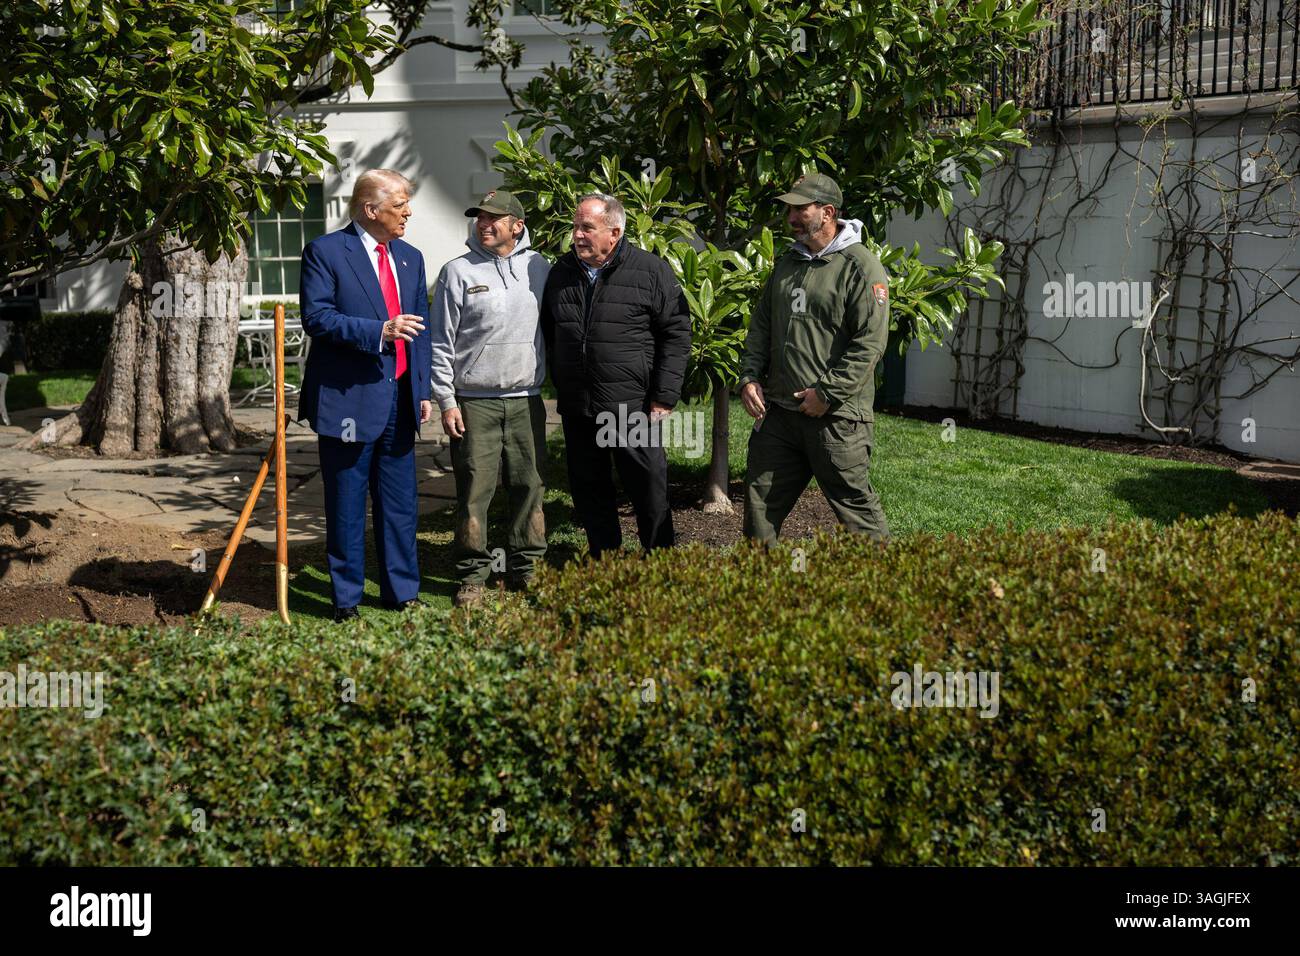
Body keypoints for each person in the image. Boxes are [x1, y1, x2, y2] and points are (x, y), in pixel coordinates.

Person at [298, 169, 433, 621]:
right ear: (371, 210)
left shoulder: (411, 257)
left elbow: (421, 331)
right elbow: (318, 318)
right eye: (400, 205)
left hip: (400, 400)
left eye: (408, 203)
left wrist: (421, 388)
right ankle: (346, 600)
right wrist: (380, 331)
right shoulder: (325, 251)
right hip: (348, 401)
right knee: (347, 504)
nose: (408, 212)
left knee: (400, 504)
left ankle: (402, 592)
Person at [738, 172, 891, 545]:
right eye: (789, 210)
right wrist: (749, 377)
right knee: (759, 507)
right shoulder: (787, 263)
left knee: (856, 513)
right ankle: (757, 580)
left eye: (800, 209)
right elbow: (761, 326)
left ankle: (886, 579)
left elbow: (870, 343)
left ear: (828, 212)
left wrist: (827, 393)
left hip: (836, 419)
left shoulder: (860, 266)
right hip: (779, 415)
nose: (791, 217)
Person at [540, 193, 690, 558]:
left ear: (615, 232)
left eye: (587, 227)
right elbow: (551, 330)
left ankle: (661, 561)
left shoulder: (650, 271)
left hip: (631, 406)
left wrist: (664, 395)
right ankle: (604, 559)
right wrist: (562, 381)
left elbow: (676, 333)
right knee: (589, 488)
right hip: (579, 406)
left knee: (647, 487)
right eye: (575, 227)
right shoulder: (561, 272)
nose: (577, 235)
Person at [430, 189, 550, 608]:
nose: (484, 224)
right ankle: (472, 575)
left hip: (526, 398)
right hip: (473, 401)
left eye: (493, 218)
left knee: (529, 485)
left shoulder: (540, 268)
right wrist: (446, 400)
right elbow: (440, 342)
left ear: (517, 226)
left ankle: (528, 568)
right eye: (479, 217)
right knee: (474, 491)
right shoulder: (456, 272)